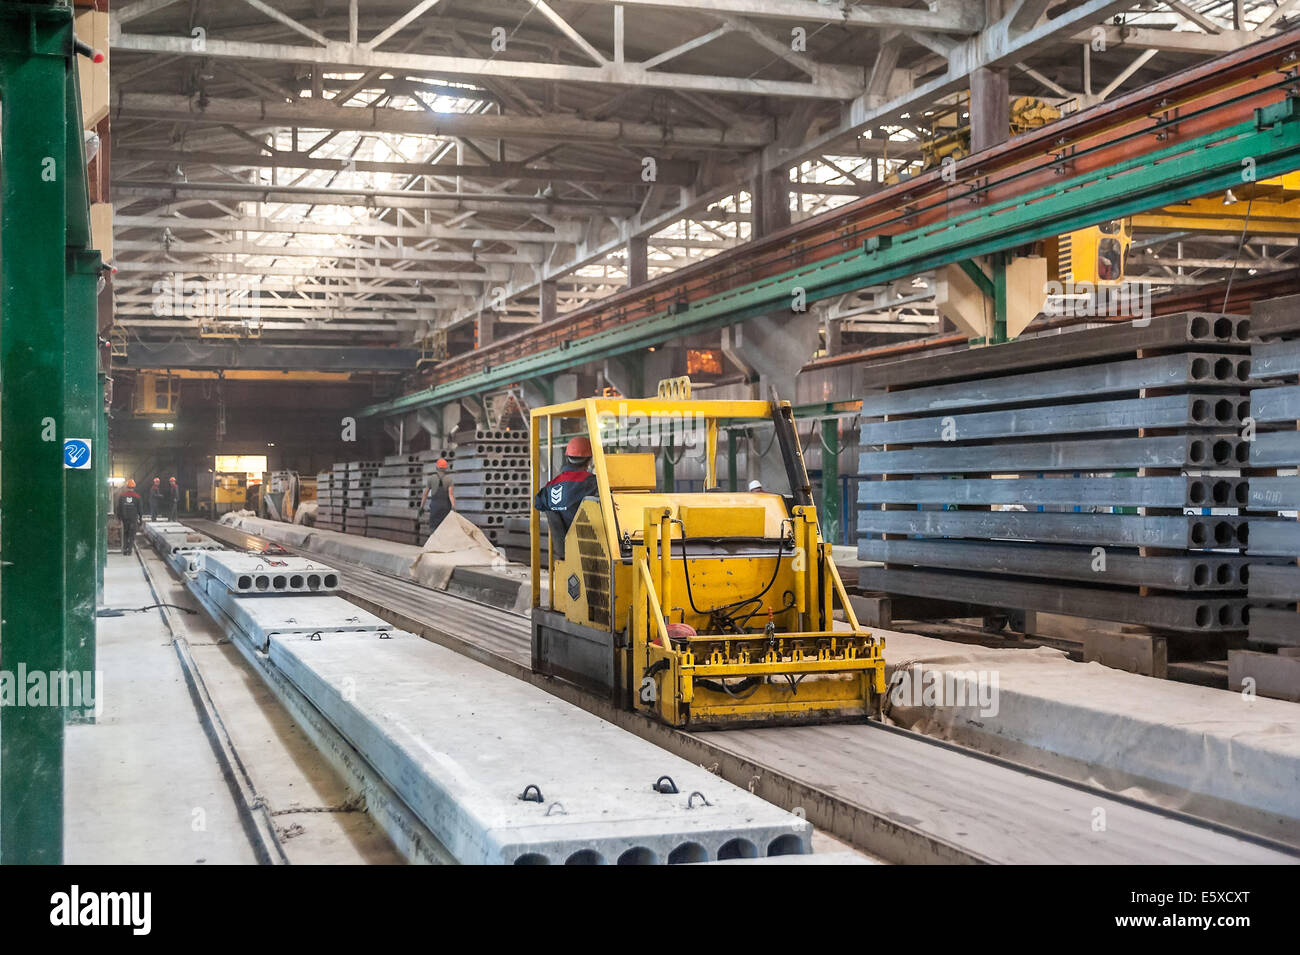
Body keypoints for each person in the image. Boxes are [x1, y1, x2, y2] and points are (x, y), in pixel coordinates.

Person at [534, 436, 599, 559]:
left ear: (567, 457)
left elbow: (538, 503)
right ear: (589, 459)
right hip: (589, 552)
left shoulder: (550, 486)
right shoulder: (592, 483)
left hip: (563, 555)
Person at [421, 458, 455, 534]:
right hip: (445, 507)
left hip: (435, 507)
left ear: (436, 467)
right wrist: (453, 507)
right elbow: (451, 495)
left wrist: (421, 507)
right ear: (446, 468)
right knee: (445, 528)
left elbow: (425, 495)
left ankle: (434, 543)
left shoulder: (431, 479)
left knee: (433, 528)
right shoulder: (449, 479)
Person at [116, 480, 143, 554]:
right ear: (134, 487)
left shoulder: (122, 496)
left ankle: (125, 549)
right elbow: (140, 509)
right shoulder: (137, 497)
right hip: (133, 518)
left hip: (124, 518)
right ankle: (130, 550)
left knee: (125, 533)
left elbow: (119, 508)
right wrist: (140, 519)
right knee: (132, 533)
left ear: (127, 487)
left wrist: (119, 518)